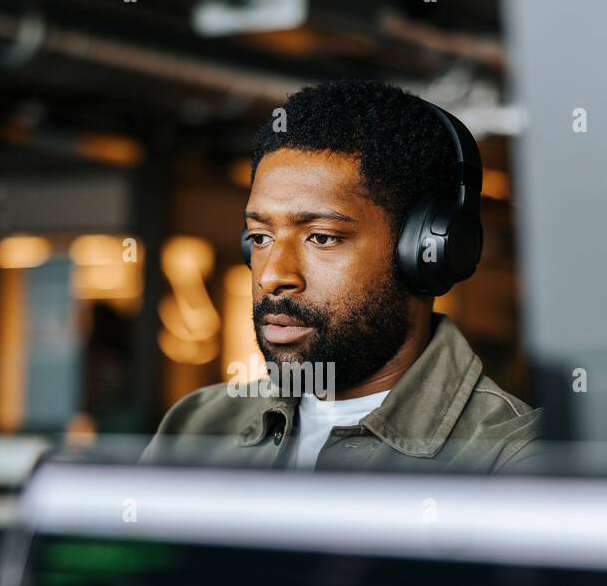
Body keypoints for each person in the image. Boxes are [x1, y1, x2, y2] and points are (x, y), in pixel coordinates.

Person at [143, 79, 540, 472]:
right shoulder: (196, 427)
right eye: (261, 237)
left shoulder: (513, 461)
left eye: (321, 238)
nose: (272, 276)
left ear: (427, 252)